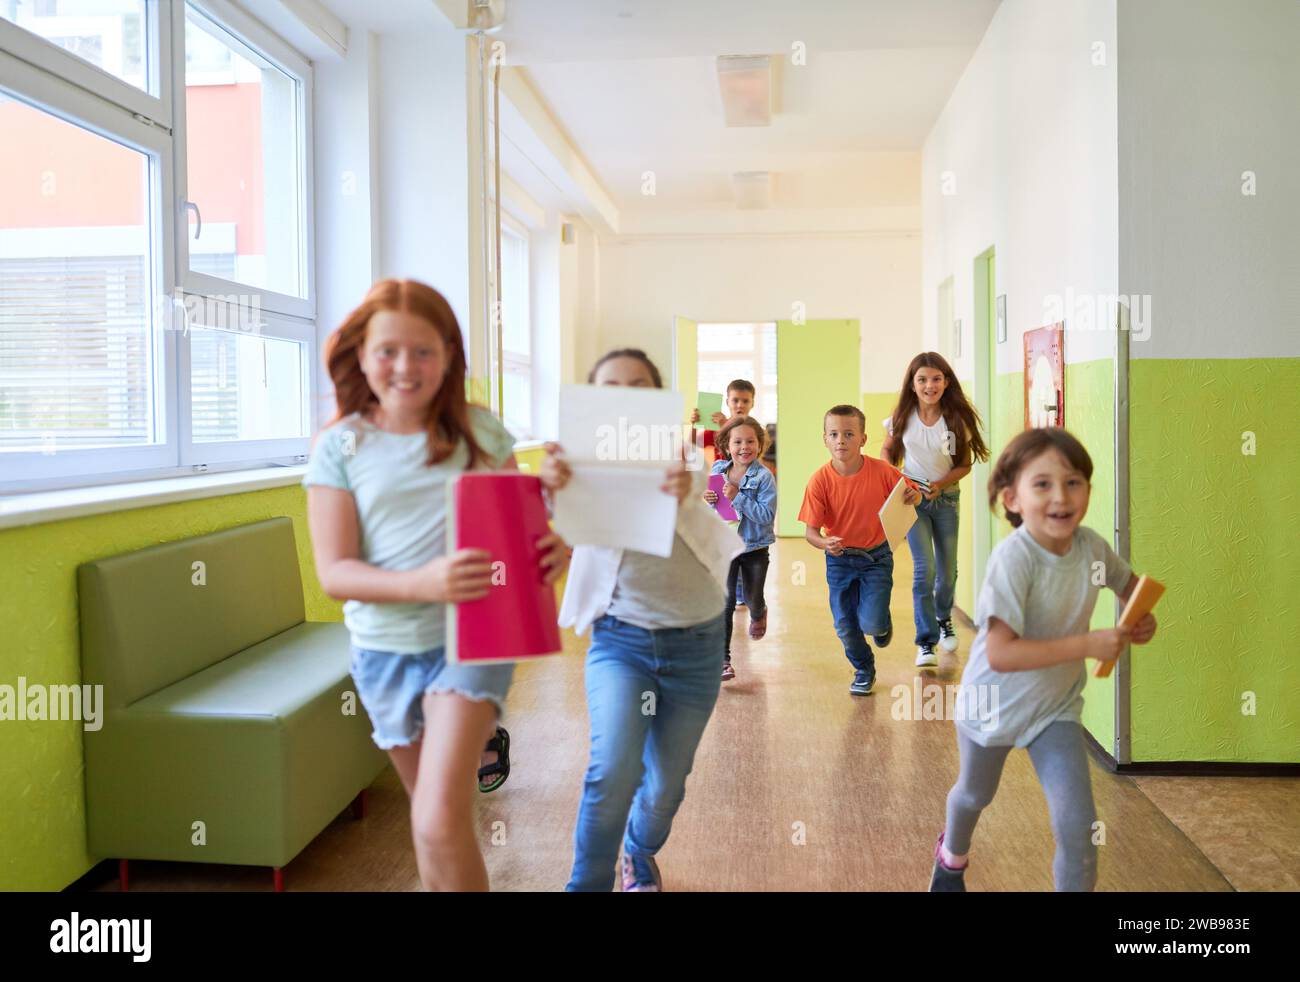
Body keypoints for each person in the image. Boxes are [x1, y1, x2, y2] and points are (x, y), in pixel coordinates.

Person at [305, 279, 568, 891]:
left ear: (449, 354)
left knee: (437, 813)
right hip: (384, 652)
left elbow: (522, 538)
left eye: (423, 350)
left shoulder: (481, 431)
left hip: (473, 642)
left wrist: (553, 548)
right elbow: (335, 573)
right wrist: (425, 581)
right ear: (361, 354)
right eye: (388, 350)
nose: (405, 367)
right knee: (436, 824)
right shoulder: (339, 445)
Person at [544, 348, 742, 891]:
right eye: (612, 386)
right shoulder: (575, 466)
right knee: (612, 772)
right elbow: (551, 536)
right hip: (621, 641)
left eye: (639, 385)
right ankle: (588, 883)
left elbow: (696, 477)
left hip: (697, 642)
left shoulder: (684, 457)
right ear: (592, 399)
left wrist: (681, 484)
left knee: (665, 786)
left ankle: (639, 849)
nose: (626, 395)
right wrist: (550, 488)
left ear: (659, 400)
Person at [929, 428, 1157, 892]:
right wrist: (1087, 645)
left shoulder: (1092, 548)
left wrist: (1139, 619)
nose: (1061, 496)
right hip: (993, 704)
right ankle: (951, 858)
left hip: (1055, 710)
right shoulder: (1015, 561)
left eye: (1074, 482)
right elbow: (1001, 653)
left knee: (1078, 830)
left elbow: (1129, 587)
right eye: (1043, 484)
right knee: (975, 794)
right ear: (1012, 498)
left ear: (1089, 491)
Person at [799, 404, 920, 696]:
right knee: (844, 625)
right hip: (839, 561)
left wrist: (914, 495)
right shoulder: (819, 481)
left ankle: (881, 624)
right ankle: (864, 668)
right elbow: (811, 534)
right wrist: (825, 542)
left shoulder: (882, 471)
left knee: (872, 622)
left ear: (863, 439)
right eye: (834, 434)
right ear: (825, 439)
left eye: (849, 434)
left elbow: (911, 495)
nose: (841, 440)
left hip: (876, 558)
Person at [881, 352, 989, 667]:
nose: (930, 385)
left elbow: (965, 465)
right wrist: (897, 476)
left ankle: (944, 617)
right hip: (912, 500)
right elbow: (887, 449)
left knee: (947, 572)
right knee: (923, 570)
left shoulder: (956, 418)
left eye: (936, 379)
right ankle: (926, 641)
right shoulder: (903, 415)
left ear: (946, 382)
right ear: (912, 385)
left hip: (946, 500)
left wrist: (940, 484)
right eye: (923, 380)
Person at [703, 415, 777, 681]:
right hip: (725, 548)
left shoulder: (764, 476)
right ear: (727, 444)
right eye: (738, 441)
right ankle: (722, 660)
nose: (744, 447)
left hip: (755, 549)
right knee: (726, 603)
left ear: (759, 445)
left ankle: (759, 611)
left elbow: (766, 516)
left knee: (752, 597)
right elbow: (709, 511)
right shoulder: (717, 471)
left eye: (750, 441)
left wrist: (739, 496)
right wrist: (707, 499)